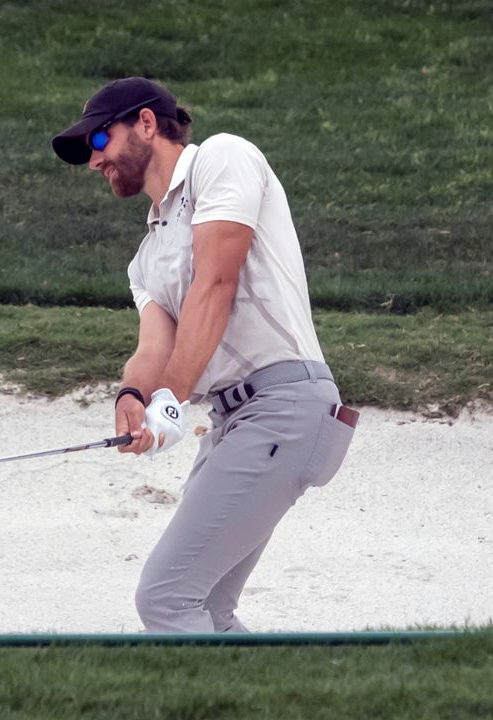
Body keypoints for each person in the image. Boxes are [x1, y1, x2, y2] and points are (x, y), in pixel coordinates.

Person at [51, 77, 357, 633]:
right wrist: (133, 396)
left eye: (99, 140)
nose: (94, 161)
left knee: (166, 599)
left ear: (147, 124)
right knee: (209, 610)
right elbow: (155, 346)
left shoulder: (222, 158)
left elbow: (216, 282)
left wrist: (169, 400)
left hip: (284, 406)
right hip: (235, 423)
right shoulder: (146, 258)